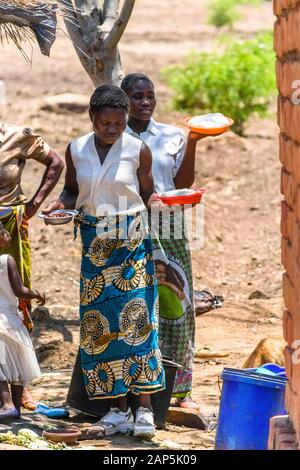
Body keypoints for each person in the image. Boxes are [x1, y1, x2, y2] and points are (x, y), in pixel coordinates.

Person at [44, 85, 165, 438]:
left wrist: (160, 205)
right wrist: (60, 205)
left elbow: (148, 193)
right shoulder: (77, 149)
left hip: (131, 246)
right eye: (106, 123)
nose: (113, 129)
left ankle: (144, 411)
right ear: (92, 118)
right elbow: (70, 190)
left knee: (137, 323)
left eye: (119, 122)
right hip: (95, 249)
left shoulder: (137, 149)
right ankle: (117, 411)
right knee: (101, 328)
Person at [121, 73, 215, 409]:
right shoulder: (115, 135)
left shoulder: (171, 135)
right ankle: (134, 387)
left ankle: (179, 390)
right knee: (138, 302)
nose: (145, 103)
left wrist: (192, 142)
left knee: (178, 300)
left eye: (149, 96)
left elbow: (182, 181)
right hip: (128, 223)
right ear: (125, 99)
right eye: (137, 96)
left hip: (170, 224)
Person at [0, 122, 64, 410]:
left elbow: (56, 162)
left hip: (9, 229)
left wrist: (34, 205)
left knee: (15, 301)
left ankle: (21, 386)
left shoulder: (18, 137)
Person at [0, 222, 45, 420]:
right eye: (3, 230)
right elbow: (19, 291)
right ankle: (12, 405)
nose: (7, 233)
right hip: (10, 319)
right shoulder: (6, 260)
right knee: (17, 366)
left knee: (2, 366)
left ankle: (9, 406)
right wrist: (36, 293)